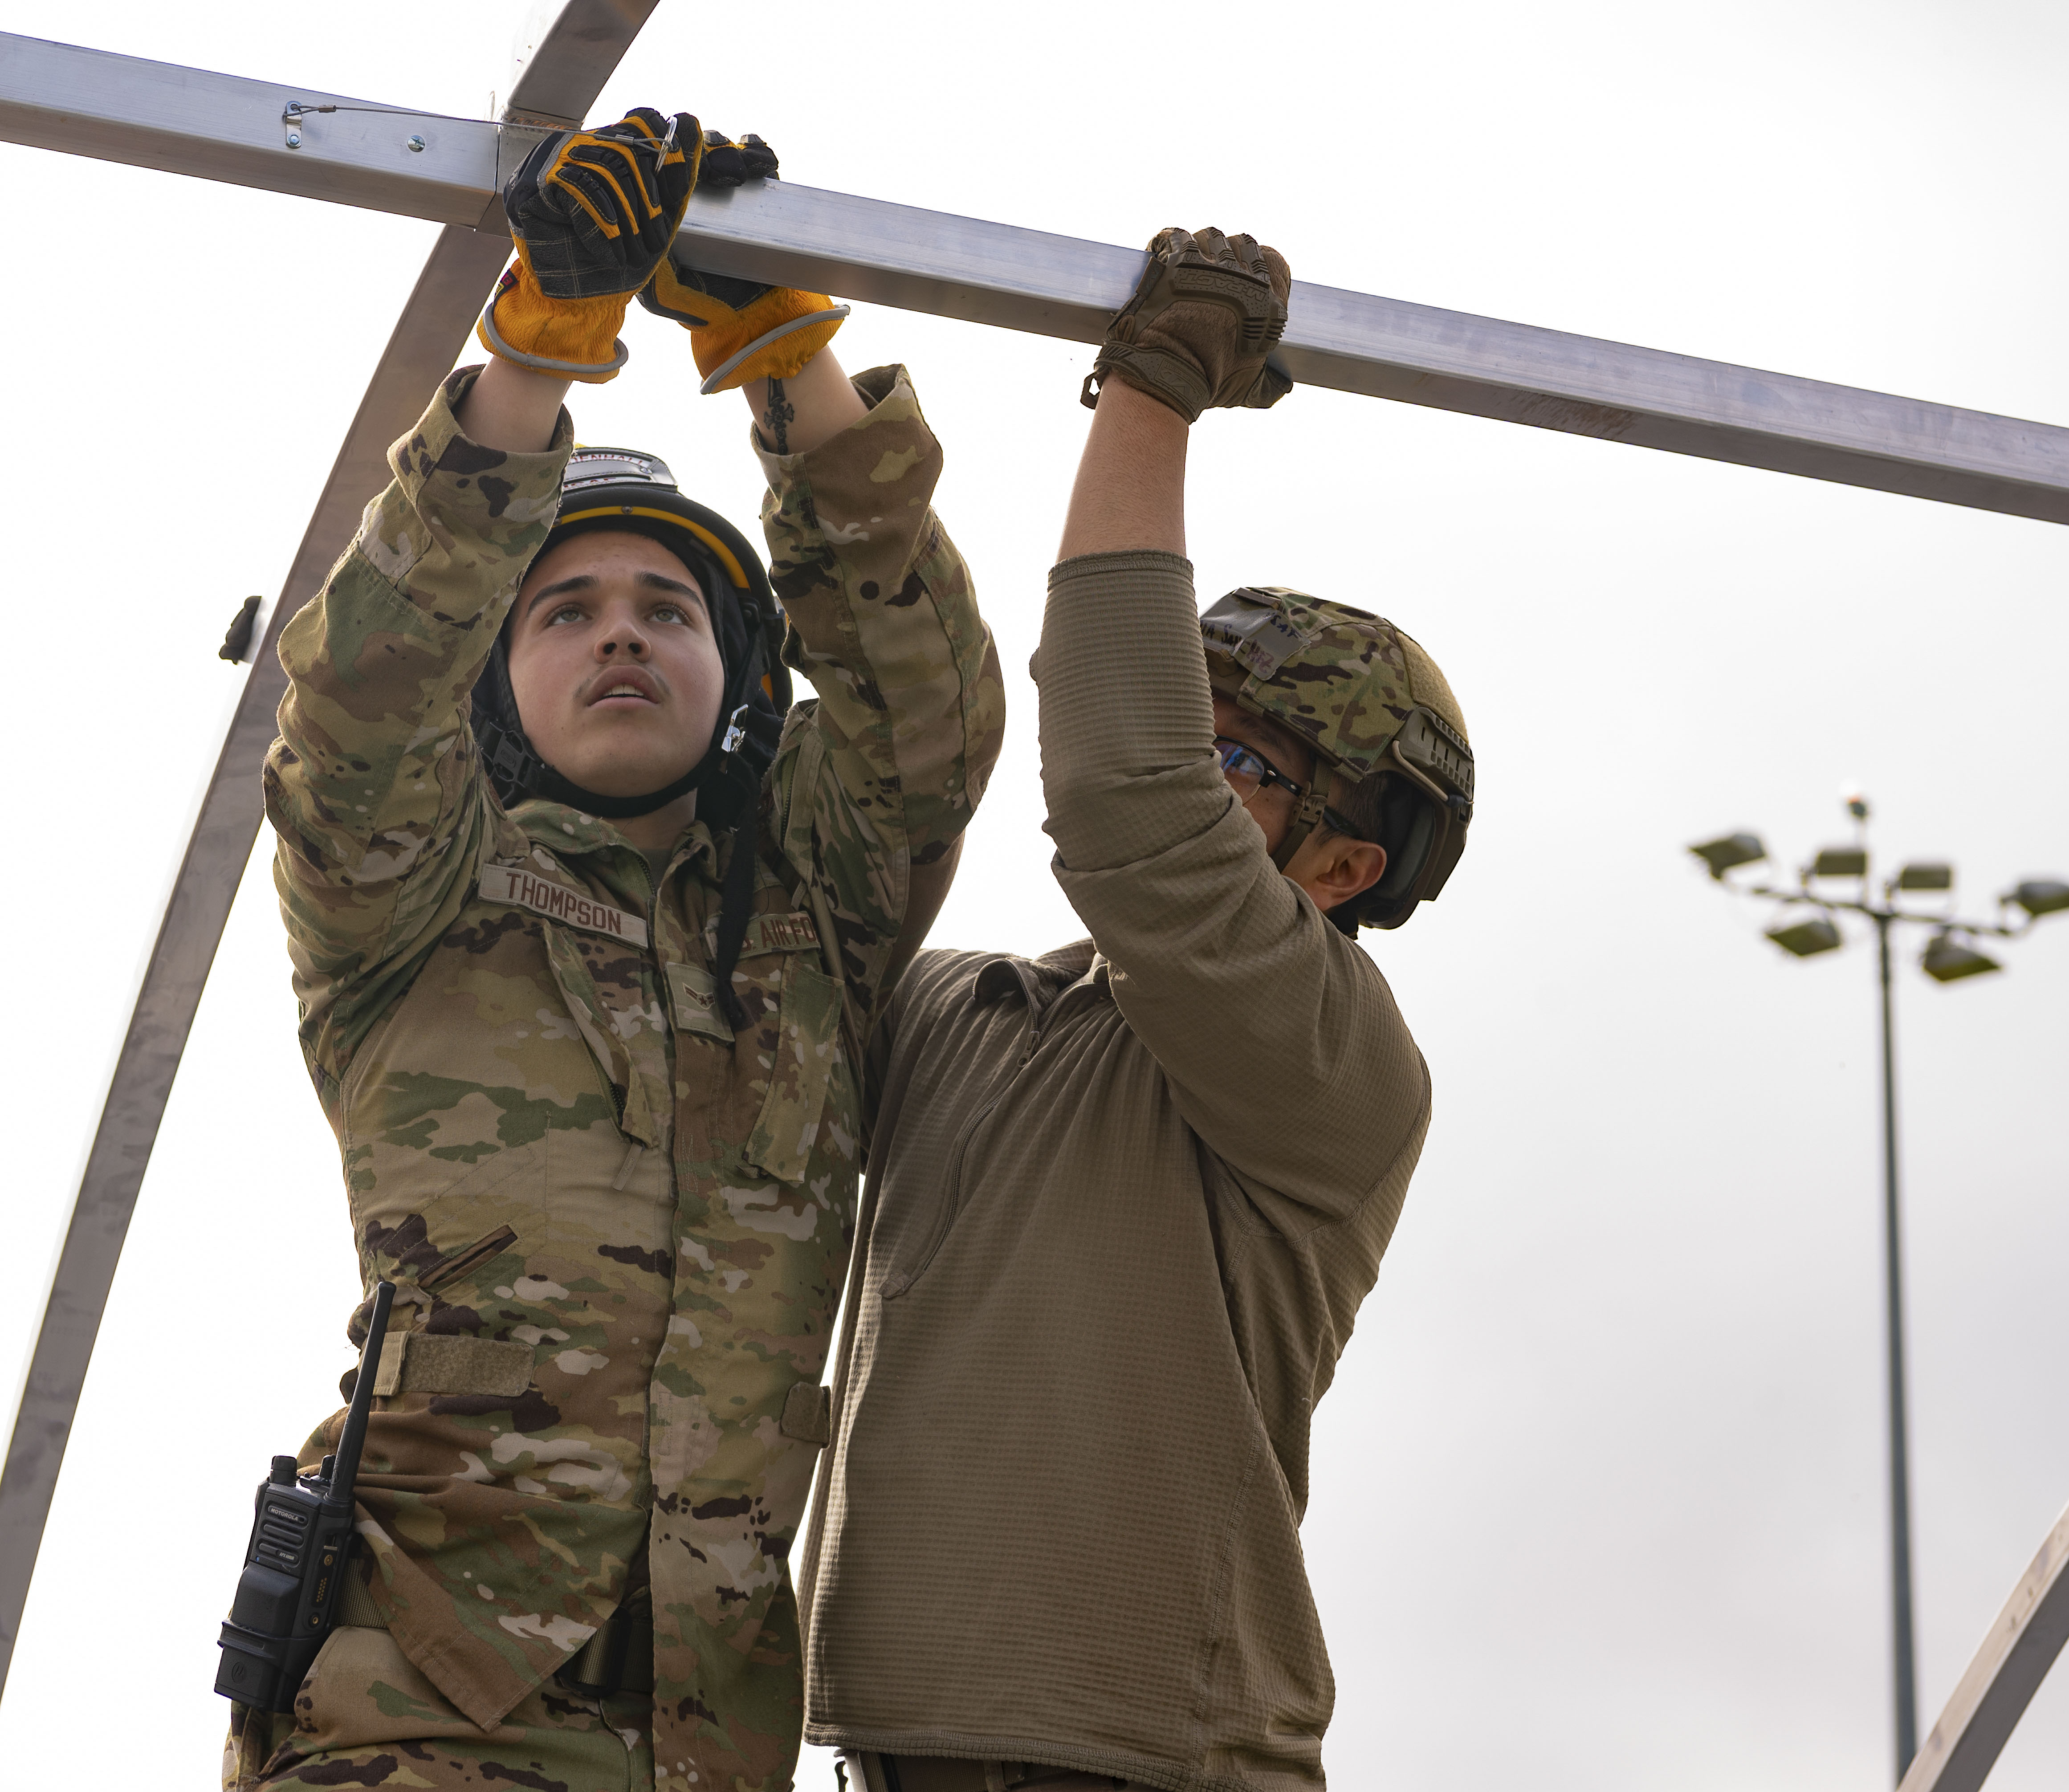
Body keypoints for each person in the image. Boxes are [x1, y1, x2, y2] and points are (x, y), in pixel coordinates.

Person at [227, 110, 1004, 1792]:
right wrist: (534, 347)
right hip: (416, 1731)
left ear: (736, 675)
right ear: (498, 679)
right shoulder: (407, 907)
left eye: (667, 609)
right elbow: (356, 714)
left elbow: (922, 725)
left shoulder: (817, 920)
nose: (622, 637)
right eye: (565, 613)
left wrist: (780, 354)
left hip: (707, 1750)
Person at [798, 228, 1477, 1792]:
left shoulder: (1335, 1063)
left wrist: (1155, 395)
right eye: (1195, 723)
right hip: (890, 1755)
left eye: (1240, 762)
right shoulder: (969, 1014)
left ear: (1343, 863)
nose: (1187, 759)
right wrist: (789, 372)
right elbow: (881, 746)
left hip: (1145, 1764)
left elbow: (1121, 785)